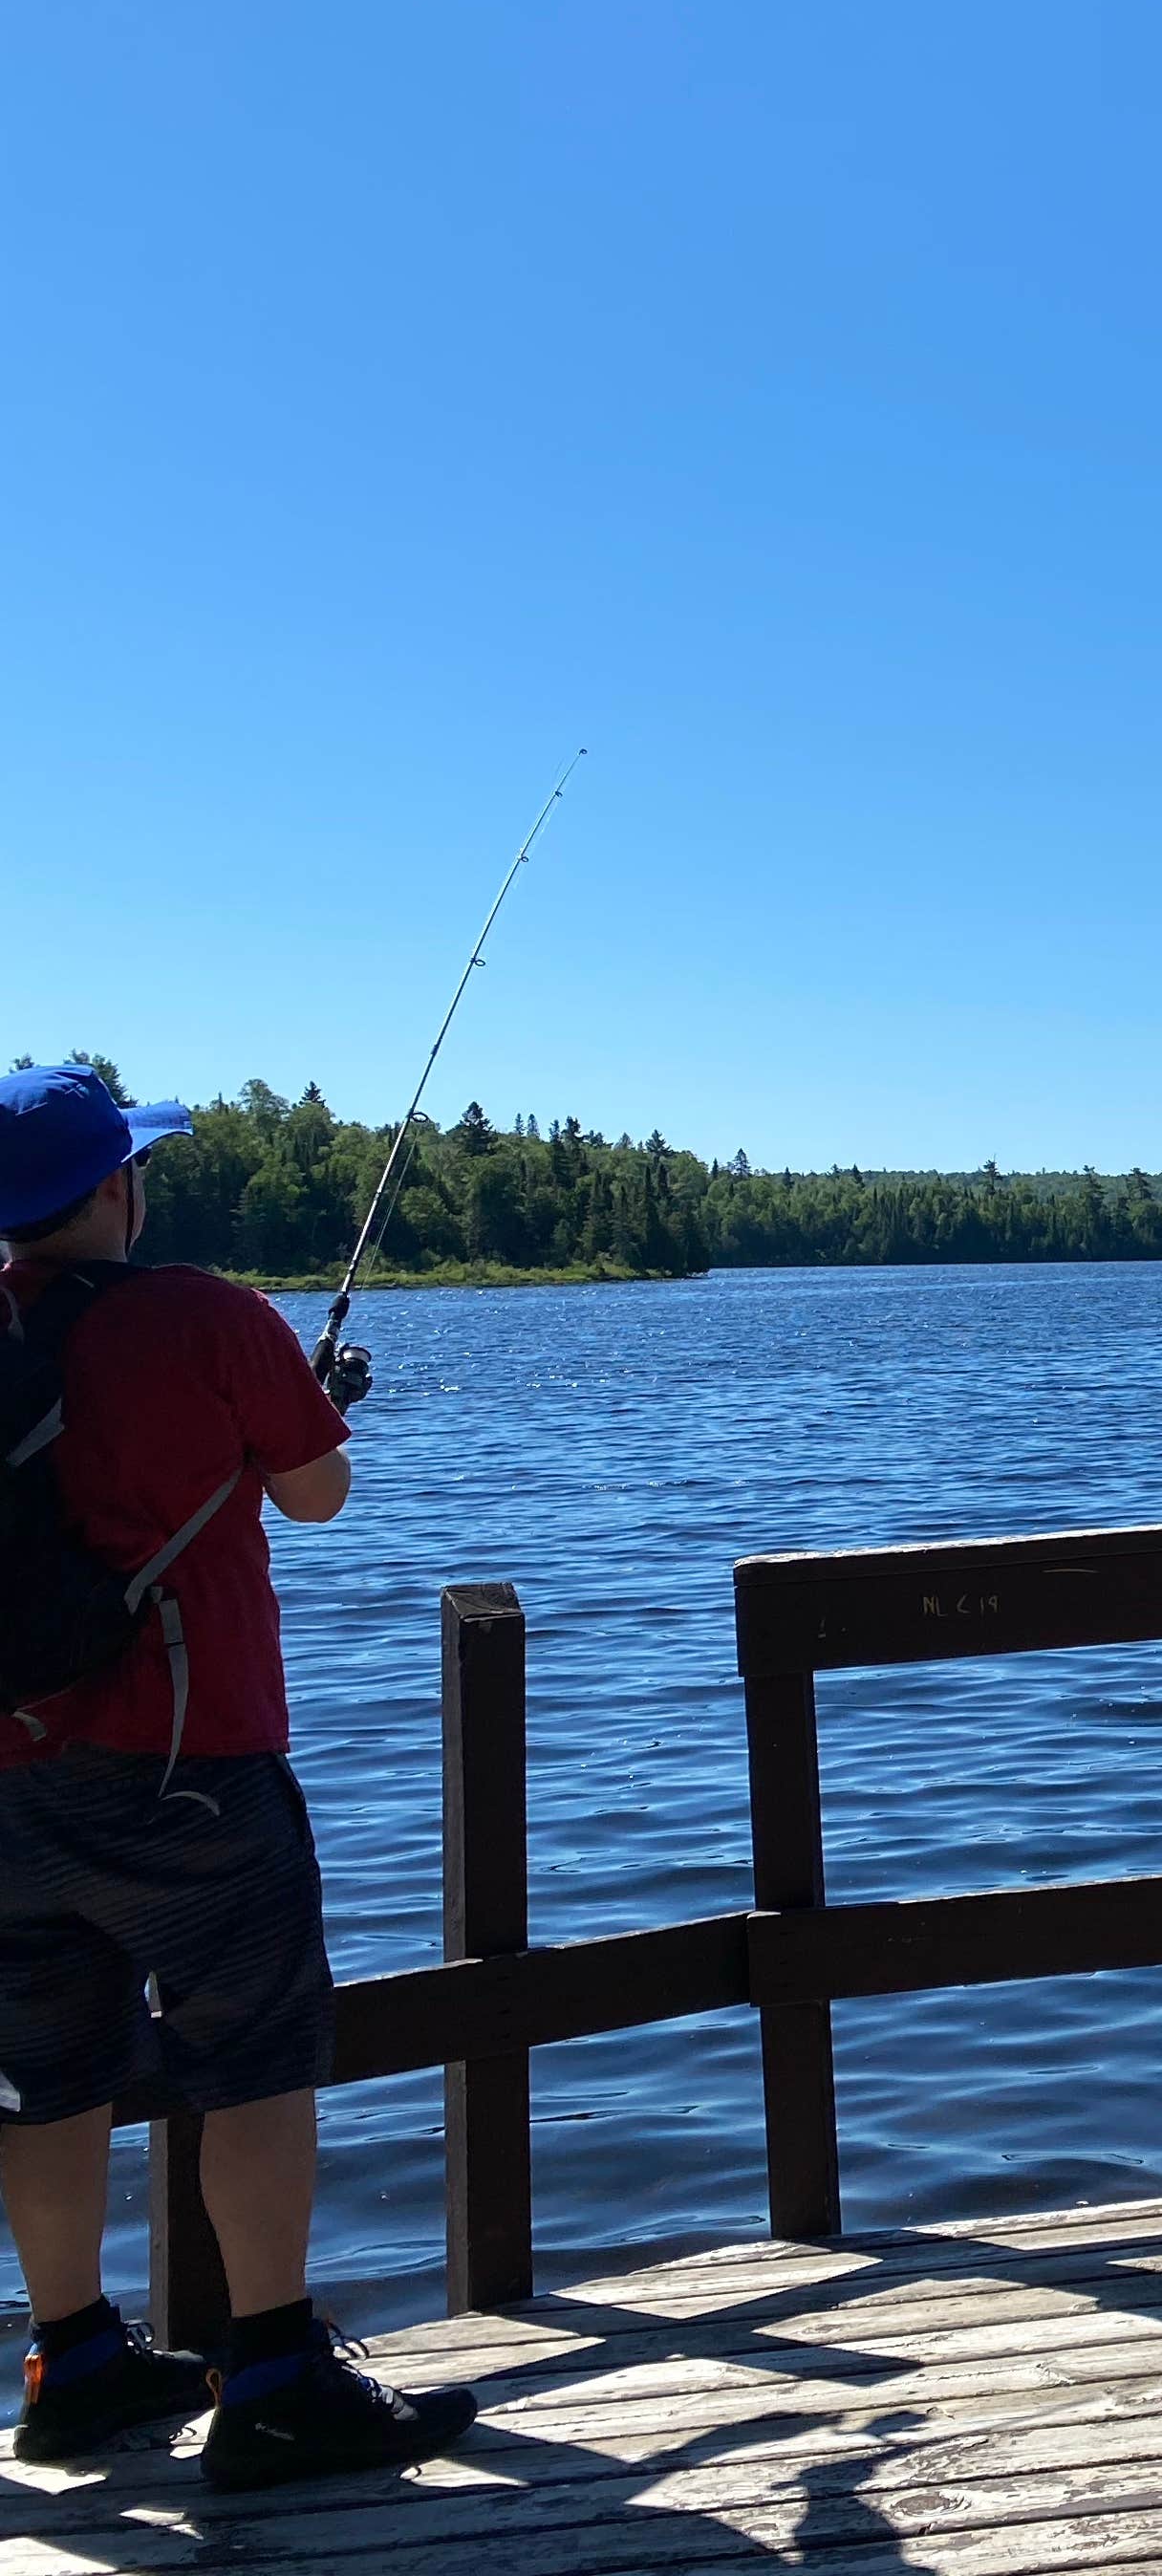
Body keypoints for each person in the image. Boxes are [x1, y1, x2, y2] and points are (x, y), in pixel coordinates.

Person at [0, 1063, 476, 2489]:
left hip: (7, 1785)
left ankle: (71, 2360)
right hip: (188, 1770)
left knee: (43, 2079)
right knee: (253, 2059)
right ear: (112, 1189)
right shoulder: (205, 1313)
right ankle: (271, 2376)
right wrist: (315, 1401)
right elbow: (314, 1491)